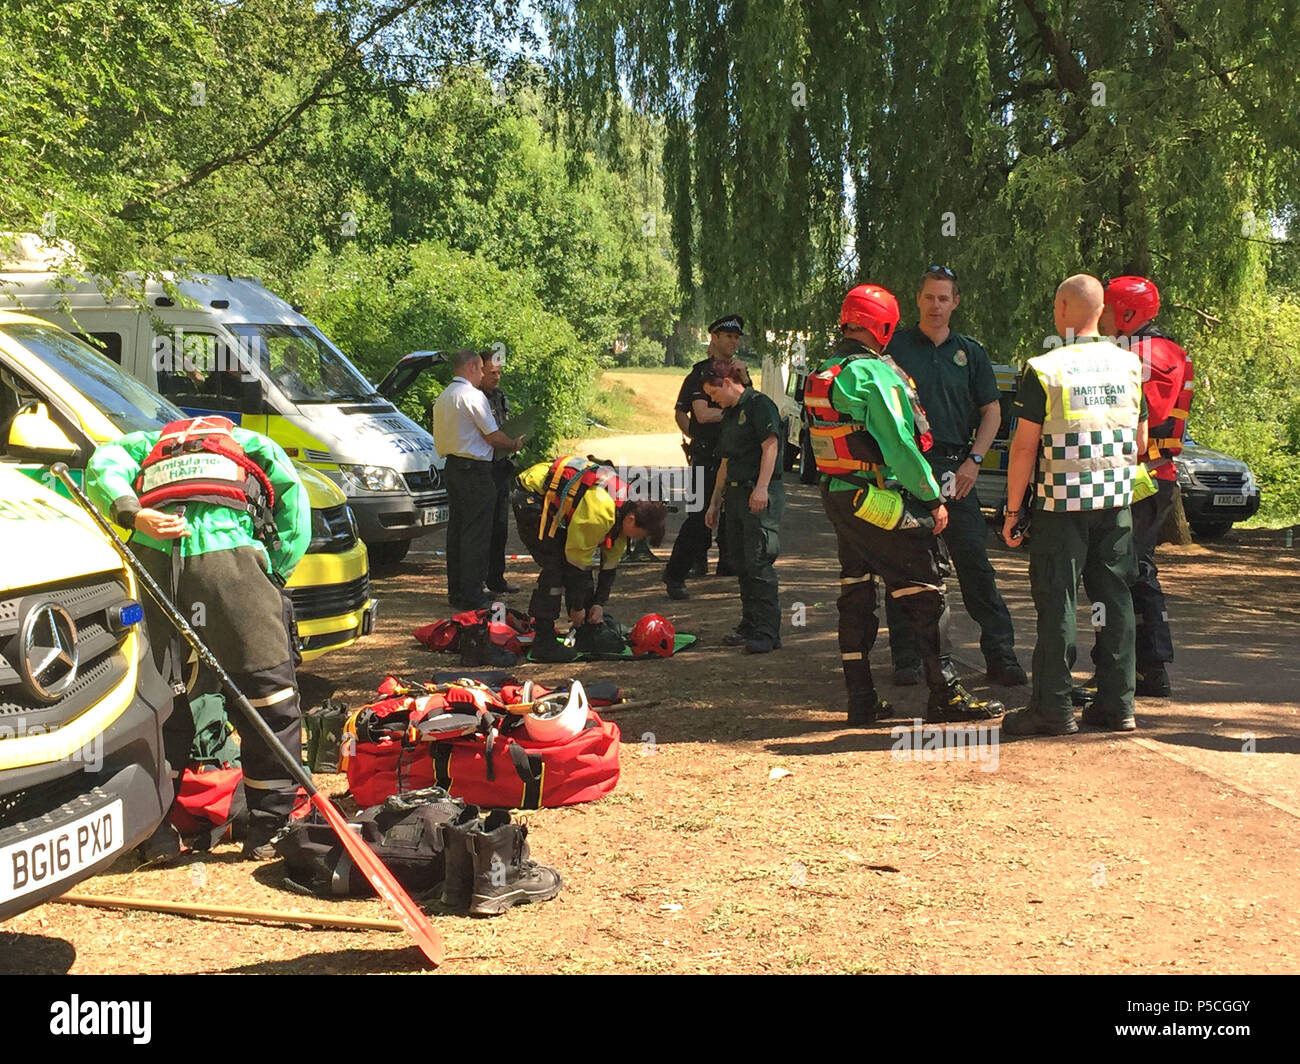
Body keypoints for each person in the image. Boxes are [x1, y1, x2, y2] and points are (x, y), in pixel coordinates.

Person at [85, 414, 311, 859]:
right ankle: (269, 828)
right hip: (233, 570)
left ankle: (155, 831)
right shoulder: (250, 442)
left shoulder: (140, 444)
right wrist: (272, 571)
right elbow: (294, 508)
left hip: (154, 564)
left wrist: (134, 514)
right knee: (269, 699)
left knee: (156, 702)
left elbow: (101, 469)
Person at [807, 283, 1004, 726]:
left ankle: (861, 699)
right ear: (884, 325)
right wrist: (932, 499)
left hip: (839, 496)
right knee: (928, 587)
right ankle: (946, 694)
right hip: (873, 496)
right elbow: (898, 445)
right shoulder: (873, 374)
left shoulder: (829, 368)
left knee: (856, 592)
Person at [1000, 274, 1149, 736]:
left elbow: (1024, 448)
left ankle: (1053, 708)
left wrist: (1010, 513)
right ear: (1101, 312)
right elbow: (1140, 441)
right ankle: (1116, 705)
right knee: (1115, 600)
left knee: (1057, 600)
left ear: (1061, 310)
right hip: (1116, 503)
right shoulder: (1129, 366)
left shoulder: (1045, 369)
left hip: (1059, 506)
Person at [884, 266, 1026, 687]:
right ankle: (907, 658)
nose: (936, 306)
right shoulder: (893, 349)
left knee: (975, 566)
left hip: (955, 470)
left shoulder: (971, 353)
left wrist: (974, 461)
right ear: (918, 299)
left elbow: (993, 411)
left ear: (955, 302)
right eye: (929, 297)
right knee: (906, 564)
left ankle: (1001, 656)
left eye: (944, 298)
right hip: (907, 469)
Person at [1083, 276, 1193, 698]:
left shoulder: (1152, 354)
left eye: (1106, 309)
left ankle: (1138, 667)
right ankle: (1138, 667)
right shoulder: (1139, 350)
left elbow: (1146, 412)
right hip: (1136, 475)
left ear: (1127, 313)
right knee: (1127, 568)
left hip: (1144, 477)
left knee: (1123, 569)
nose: (1100, 317)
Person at [514, 455, 669, 662]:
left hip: (557, 502)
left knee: (576, 570)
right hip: (532, 497)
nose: (639, 539)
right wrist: (577, 608)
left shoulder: (627, 510)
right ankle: (544, 640)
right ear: (632, 520)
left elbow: (609, 565)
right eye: (641, 535)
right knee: (556, 569)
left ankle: (585, 631)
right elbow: (577, 561)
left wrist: (598, 603)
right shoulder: (601, 512)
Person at [663, 315, 751, 599]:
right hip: (706, 455)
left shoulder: (739, 373)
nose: (733, 342)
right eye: (728, 336)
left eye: (736, 337)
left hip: (733, 456)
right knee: (698, 516)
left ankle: (729, 563)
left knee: (734, 514)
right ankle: (678, 572)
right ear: (714, 338)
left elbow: (753, 409)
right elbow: (698, 414)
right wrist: (698, 436)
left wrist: (746, 383)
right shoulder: (701, 374)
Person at [702, 358, 784, 653]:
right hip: (735, 496)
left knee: (759, 561)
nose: (714, 400)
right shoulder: (730, 414)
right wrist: (714, 502)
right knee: (742, 562)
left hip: (757, 493)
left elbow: (770, 446)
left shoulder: (759, 405)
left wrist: (762, 487)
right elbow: (725, 461)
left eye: (714, 394)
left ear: (726, 382)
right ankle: (749, 623)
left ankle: (767, 631)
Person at [432, 348, 523, 610]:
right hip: (475, 470)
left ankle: (457, 591)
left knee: (457, 532)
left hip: (453, 467)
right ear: (472, 367)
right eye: (482, 369)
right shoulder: (472, 396)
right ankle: (473, 594)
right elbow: (492, 436)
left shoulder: (444, 397)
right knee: (477, 534)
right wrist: (514, 443)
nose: (484, 374)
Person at [478, 349, 519, 595]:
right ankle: (479, 581)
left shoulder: (499, 396)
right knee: (482, 528)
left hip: (501, 469)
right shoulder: (474, 399)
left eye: (499, 372)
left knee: (500, 528)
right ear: (479, 371)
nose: (496, 377)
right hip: (482, 470)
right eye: (491, 372)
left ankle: (496, 578)